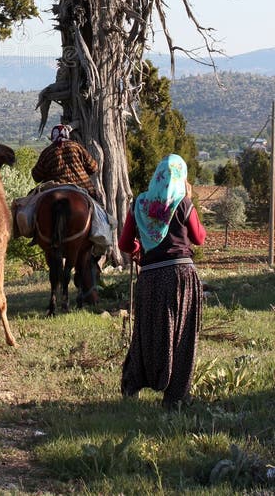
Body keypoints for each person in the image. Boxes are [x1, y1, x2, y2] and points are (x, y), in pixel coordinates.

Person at [119, 154, 206, 409]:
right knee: (182, 335)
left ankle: (132, 384)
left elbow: (124, 244)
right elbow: (199, 238)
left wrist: (138, 246)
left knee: (146, 332)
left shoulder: (140, 204)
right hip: (181, 277)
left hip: (151, 276)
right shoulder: (184, 202)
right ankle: (174, 396)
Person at [31, 124, 98, 196]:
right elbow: (93, 167)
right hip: (82, 186)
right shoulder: (77, 147)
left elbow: (36, 177)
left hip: (55, 188)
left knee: (31, 200)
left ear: (53, 136)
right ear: (67, 135)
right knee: (98, 202)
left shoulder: (47, 152)